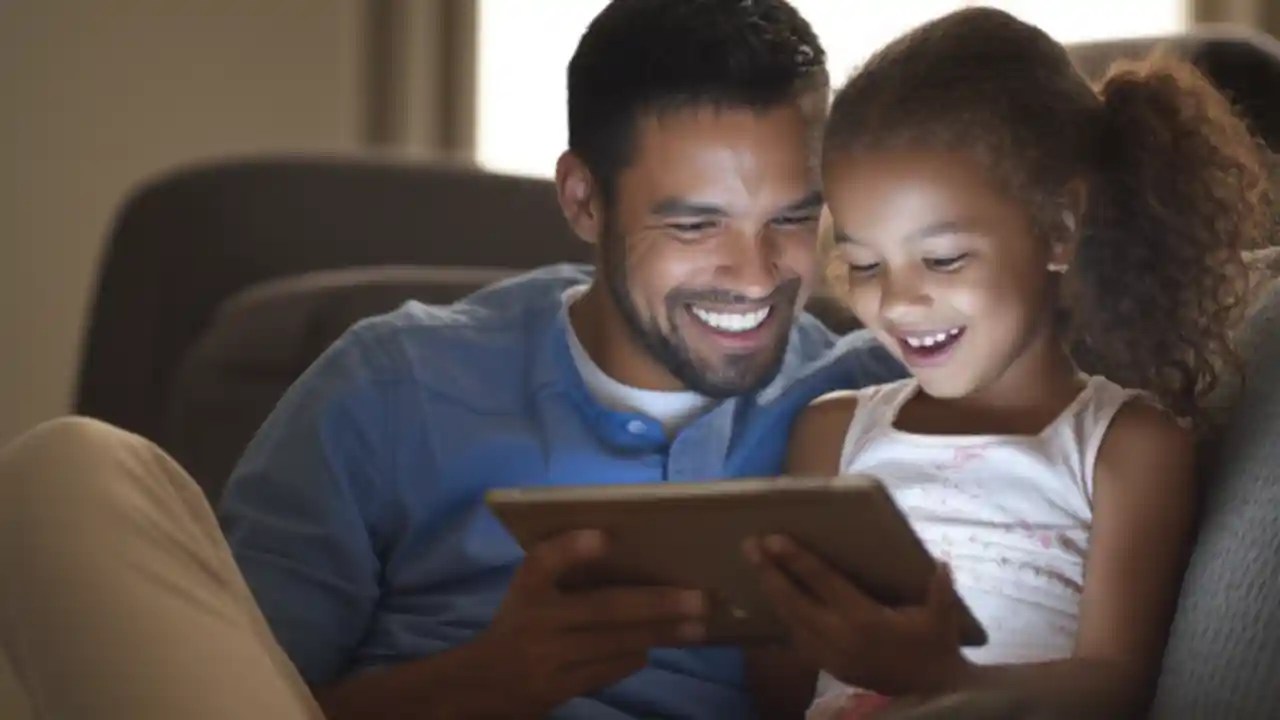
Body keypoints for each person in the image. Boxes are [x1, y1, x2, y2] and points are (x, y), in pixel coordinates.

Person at [0, 1, 903, 718]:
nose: (756, 275)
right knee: (65, 467)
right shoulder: (391, 385)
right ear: (584, 201)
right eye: (695, 222)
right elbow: (231, 687)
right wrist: (493, 682)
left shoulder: (867, 395)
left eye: (791, 216)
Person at [741, 7, 1271, 719]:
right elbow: (777, 690)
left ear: (1057, 229)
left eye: (943, 258)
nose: (897, 301)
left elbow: (1114, 684)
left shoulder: (1125, 449)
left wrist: (946, 676)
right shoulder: (831, 434)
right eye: (864, 263)